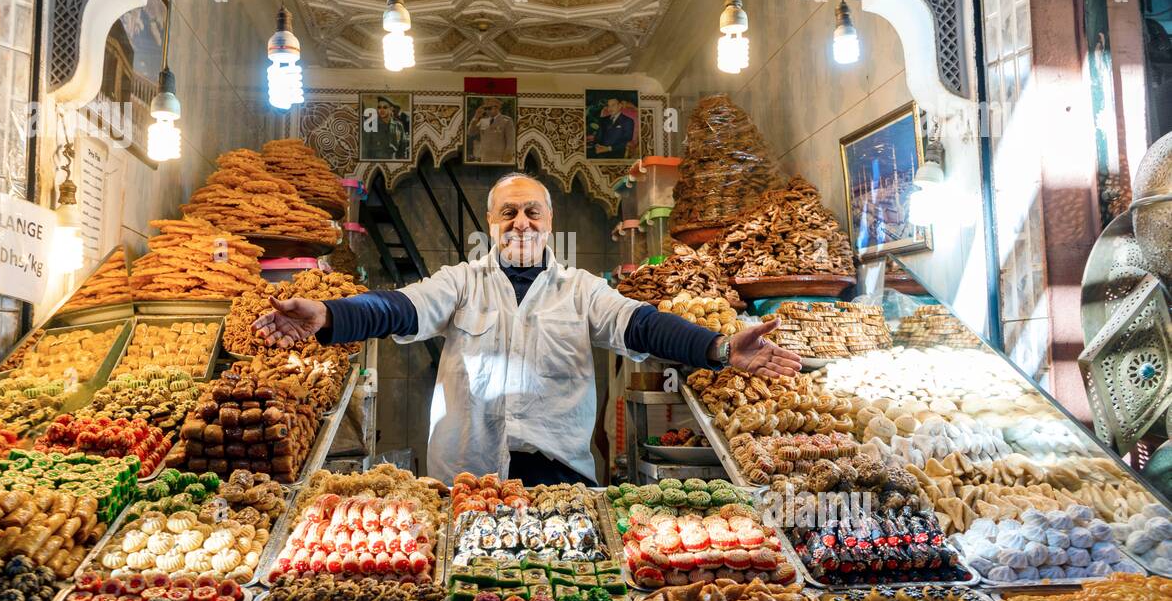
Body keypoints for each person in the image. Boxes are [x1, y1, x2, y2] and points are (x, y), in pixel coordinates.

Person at [254, 172, 799, 485]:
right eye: (508, 213)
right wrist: (329, 315)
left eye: (533, 213)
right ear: (489, 224)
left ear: (549, 223)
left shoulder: (581, 289)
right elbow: (399, 307)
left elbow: (642, 325)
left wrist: (719, 347)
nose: (521, 223)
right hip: (466, 478)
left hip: (560, 476)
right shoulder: (462, 282)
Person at [467, 95, 516, 164]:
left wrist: (506, 159)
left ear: (497, 108)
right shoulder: (483, 120)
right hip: (485, 158)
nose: (487, 111)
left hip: (500, 159)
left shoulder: (506, 121)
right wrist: (476, 117)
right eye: (485, 108)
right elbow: (470, 132)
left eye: (489, 108)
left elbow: (510, 142)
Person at [362, 95, 408, 160]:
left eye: (385, 107)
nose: (381, 110)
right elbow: (364, 151)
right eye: (379, 107)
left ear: (391, 109)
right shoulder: (370, 125)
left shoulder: (398, 126)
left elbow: (403, 148)